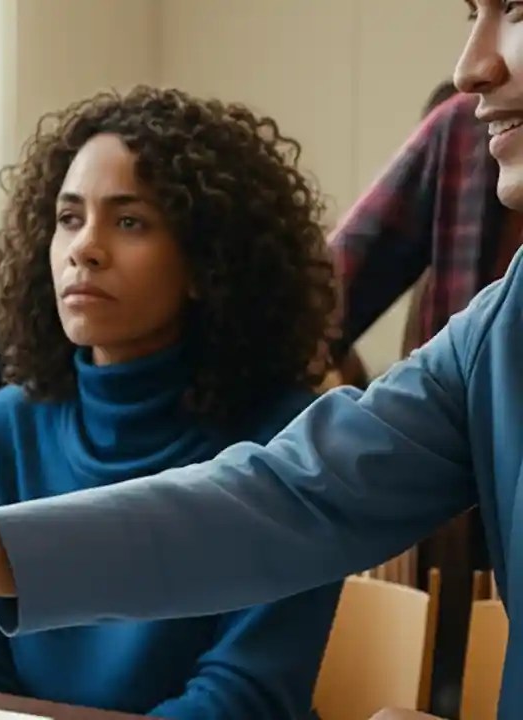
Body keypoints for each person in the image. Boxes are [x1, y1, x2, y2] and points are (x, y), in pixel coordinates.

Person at [0, 5, 523, 710]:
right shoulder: (498, 330)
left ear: (207, 262)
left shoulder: (288, 408)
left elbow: (247, 679)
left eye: (514, 12)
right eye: (67, 218)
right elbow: (284, 502)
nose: (469, 67)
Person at [0, 87, 343, 718]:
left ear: (205, 264)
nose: (85, 248)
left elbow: (247, 693)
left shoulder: (286, 437)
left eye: (129, 222)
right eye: (69, 218)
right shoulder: (7, 427)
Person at [331, 76, 493, 712]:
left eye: (512, 9)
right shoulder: (462, 131)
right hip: (457, 537)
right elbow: (310, 312)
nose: (471, 65)